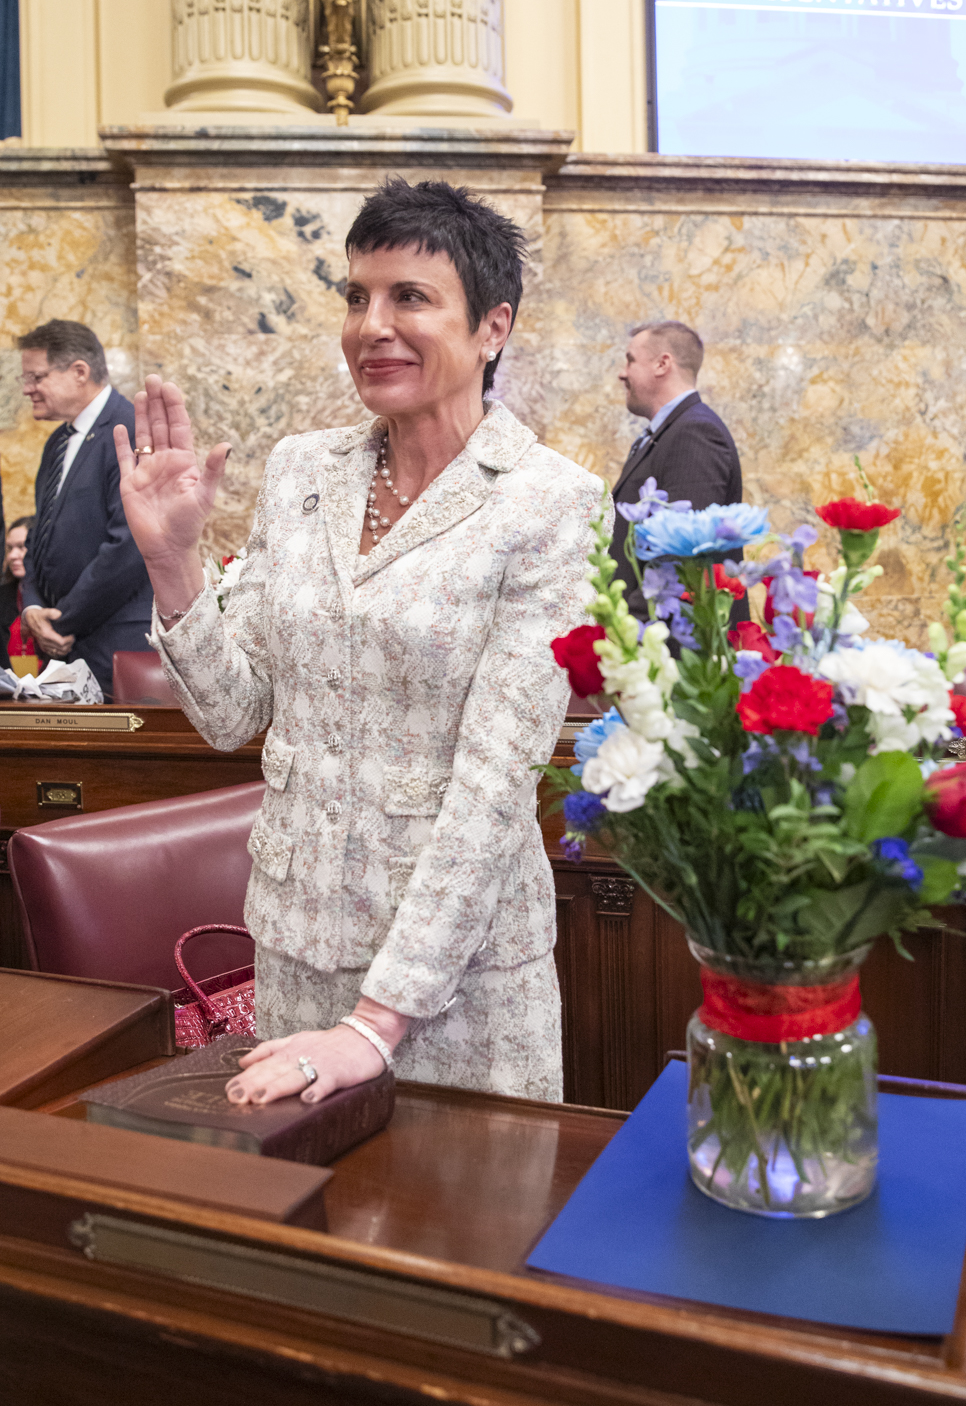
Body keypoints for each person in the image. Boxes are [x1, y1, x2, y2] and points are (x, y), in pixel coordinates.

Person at [116, 178, 603, 1110]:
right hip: (294, 954)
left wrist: (374, 1025)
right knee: (301, 1198)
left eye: (408, 297)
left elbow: (495, 788)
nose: (370, 326)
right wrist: (172, 563)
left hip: (456, 985)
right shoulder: (302, 470)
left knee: (454, 1201)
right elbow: (232, 717)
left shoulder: (550, 503)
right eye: (355, 296)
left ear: (492, 327)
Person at [17, 320, 152, 697]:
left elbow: (129, 546)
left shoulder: (129, 430)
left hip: (113, 645)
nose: (27, 389)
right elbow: (38, 537)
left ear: (79, 371)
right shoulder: (57, 442)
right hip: (60, 648)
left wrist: (60, 622)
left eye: (36, 377)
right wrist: (32, 609)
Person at [610, 320, 747, 623]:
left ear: (662, 364)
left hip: (670, 642)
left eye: (630, 360)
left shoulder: (694, 433)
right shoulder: (667, 433)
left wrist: (628, 631)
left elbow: (682, 556)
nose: (622, 373)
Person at [0, 516, 38, 675]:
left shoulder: (55, 596)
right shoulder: (3, 595)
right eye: (9, 548)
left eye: (22, 547)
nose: (12, 556)